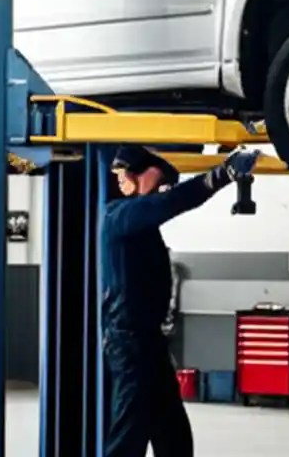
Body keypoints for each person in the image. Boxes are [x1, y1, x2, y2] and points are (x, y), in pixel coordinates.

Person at [103, 145, 259, 457]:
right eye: (159, 180)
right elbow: (172, 201)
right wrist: (222, 175)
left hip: (149, 343)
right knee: (128, 435)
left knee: (173, 434)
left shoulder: (140, 225)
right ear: (134, 177)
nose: (163, 188)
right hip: (131, 344)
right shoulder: (119, 216)